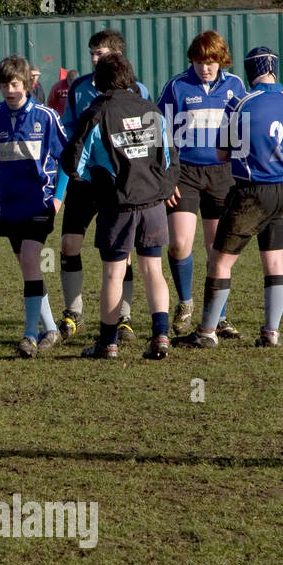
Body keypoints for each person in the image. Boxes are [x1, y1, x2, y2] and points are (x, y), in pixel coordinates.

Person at [178, 47, 283, 350]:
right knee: (275, 261)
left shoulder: (240, 103)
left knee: (220, 261)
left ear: (249, 70)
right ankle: (271, 331)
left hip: (252, 190)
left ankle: (206, 331)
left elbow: (222, 153)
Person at [63, 53, 177, 360]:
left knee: (113, 274)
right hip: (153, 203)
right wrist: (162, 190)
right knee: (154, 270)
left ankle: (108, 344)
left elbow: (74, 162)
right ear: (129, 76)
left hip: (117, 205)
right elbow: (169, 158)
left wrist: (97, 182)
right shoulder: (151, 109)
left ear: (98, 80)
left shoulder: (97, 111)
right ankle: (161, 337)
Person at [58, 30, 152, 344]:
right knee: (70, 243)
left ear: (117, 55)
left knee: (120, 254)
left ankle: (123, 317)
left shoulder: (138, 89)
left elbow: (145, 137)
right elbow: (70, 131)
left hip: (118, 184)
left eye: (100, 53)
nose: (94, 59)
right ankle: (73, 313)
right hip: (86, 181)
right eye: (92, 53)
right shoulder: (79, 88)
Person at [0, 55, 68, 357]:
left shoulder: (46, 117)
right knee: (29, 269)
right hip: (8, 205)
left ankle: (29, 336)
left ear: (27, 84)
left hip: (40, 203)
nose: (9, 90)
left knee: (31, 260)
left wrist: (58, 198)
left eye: (14, 84)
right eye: (4, 85)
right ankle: (51, 328)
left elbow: (67, 160)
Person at [157, 31, 245, 335]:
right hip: (184, 174)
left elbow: (242, 134)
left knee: (216, 249)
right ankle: (185, 302)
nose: (204, 67)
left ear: (221, 59)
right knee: (179, 244)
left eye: (210, 61)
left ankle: (217, 317)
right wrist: (166, 177)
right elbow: (161, 133)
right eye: (198, 61)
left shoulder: (235, 86)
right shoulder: (176, 86)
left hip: (222, 175)